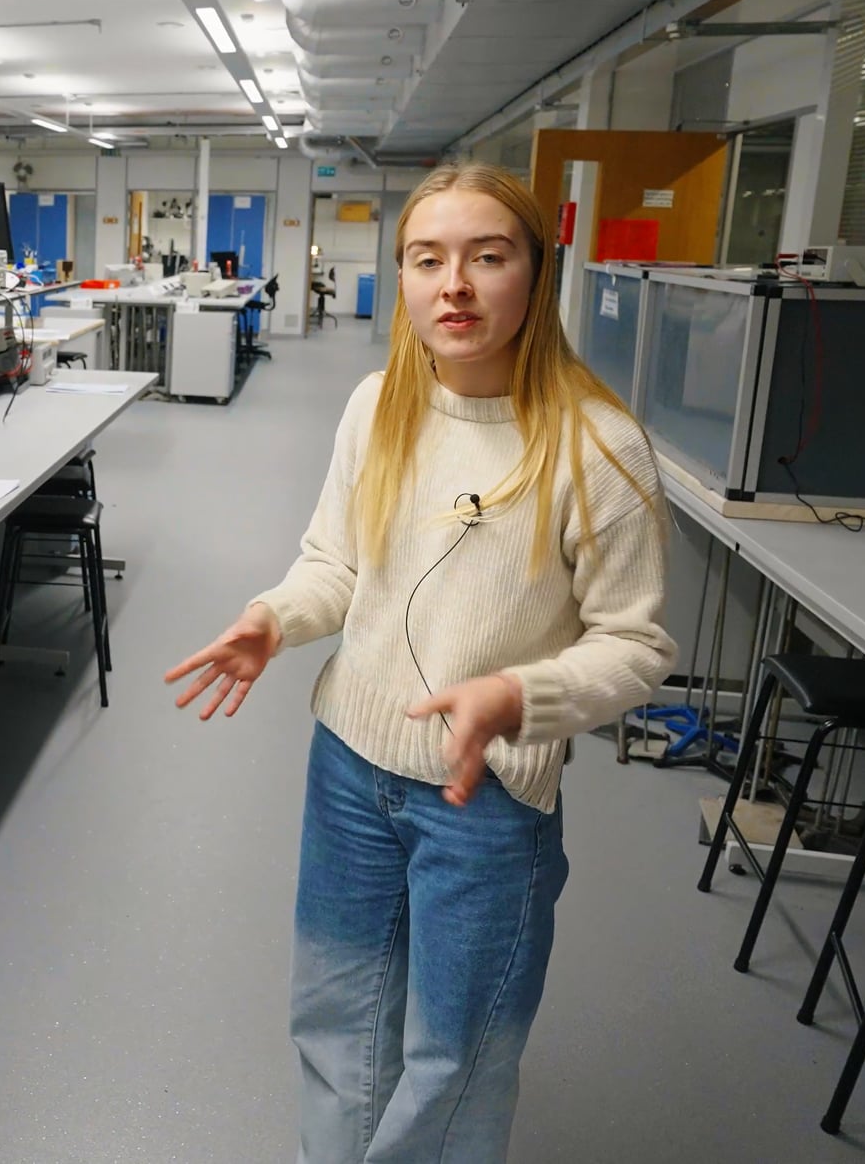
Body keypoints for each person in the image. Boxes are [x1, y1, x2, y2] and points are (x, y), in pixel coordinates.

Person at [165, 161, 676, 1163]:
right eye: (428, 259)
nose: (456, 285)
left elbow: (637, 646)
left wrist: (519, 695)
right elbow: (336, 564)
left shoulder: (600, 449)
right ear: (401, 277)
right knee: (337, 1026)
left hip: (481, 802)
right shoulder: (378, 408)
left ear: (537, 272)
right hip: (349, 770)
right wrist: (275, 620)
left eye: (488, 257)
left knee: (454, 1058)